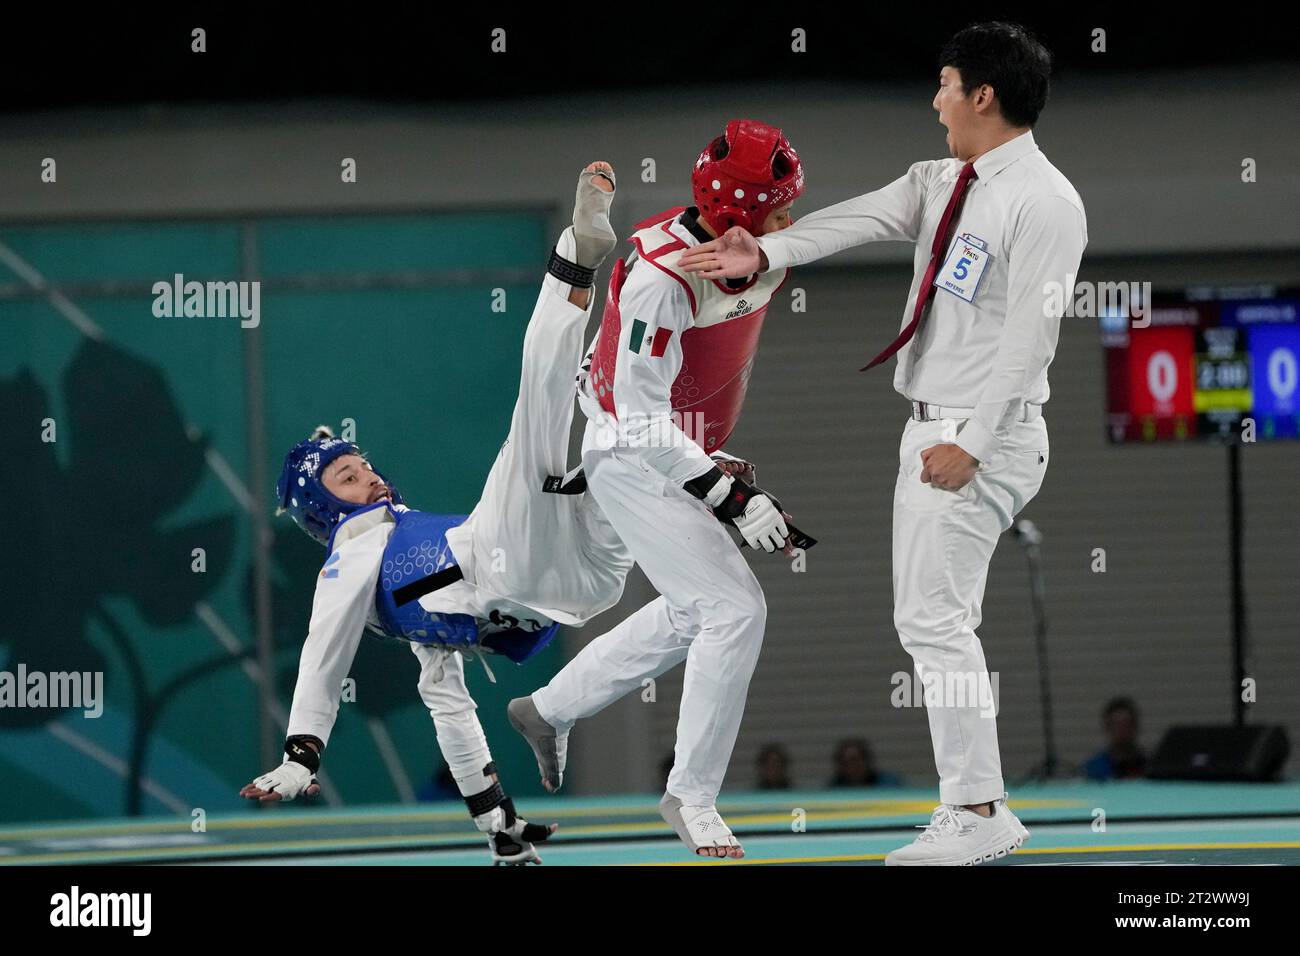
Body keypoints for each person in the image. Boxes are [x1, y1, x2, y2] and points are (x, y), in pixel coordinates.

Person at [679, 23, 1087, 865]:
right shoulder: (942, 180)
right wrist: (762, 254)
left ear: (983, 94)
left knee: (936, 623)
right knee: (929, 621)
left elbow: (1032, 338)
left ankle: (977, 810)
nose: (934, 100)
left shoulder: (1044, 201)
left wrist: (972, 441)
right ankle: (979, 806)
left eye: (944, 83)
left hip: (987, 433)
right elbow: (859, 220)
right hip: (935, 427)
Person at [239, 162, 639, 865]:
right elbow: (322, 653)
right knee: (539, 404)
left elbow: (451, 712)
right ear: (322, 508)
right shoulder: (355, 552)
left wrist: (499, 828)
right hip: (507, 560)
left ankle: (686, 472)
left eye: (362, 465)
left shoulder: (408, 576)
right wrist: (303, 754)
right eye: (345, 476)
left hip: (573, 590)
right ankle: (577, 255)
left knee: (610, 462)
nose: (365, 474)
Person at [509, 119, 812, 860]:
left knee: (691, 613)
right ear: (737, 213)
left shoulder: (750, 254)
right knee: (735, 610)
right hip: (627, 452)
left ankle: (547, 709)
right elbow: (639, 419)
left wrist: (718, 462)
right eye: (778, 209)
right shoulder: (661, 280)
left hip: (671, 447)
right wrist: (727, 496)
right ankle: (690, 795)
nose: (789, 223)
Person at [1081, 697, 1147, 781]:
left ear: (1135, 727)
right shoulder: (1093, 768)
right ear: (1107, 728)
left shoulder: (1149, 766)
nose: (1122, 731)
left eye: (1126, 725)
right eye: (1117, 726)